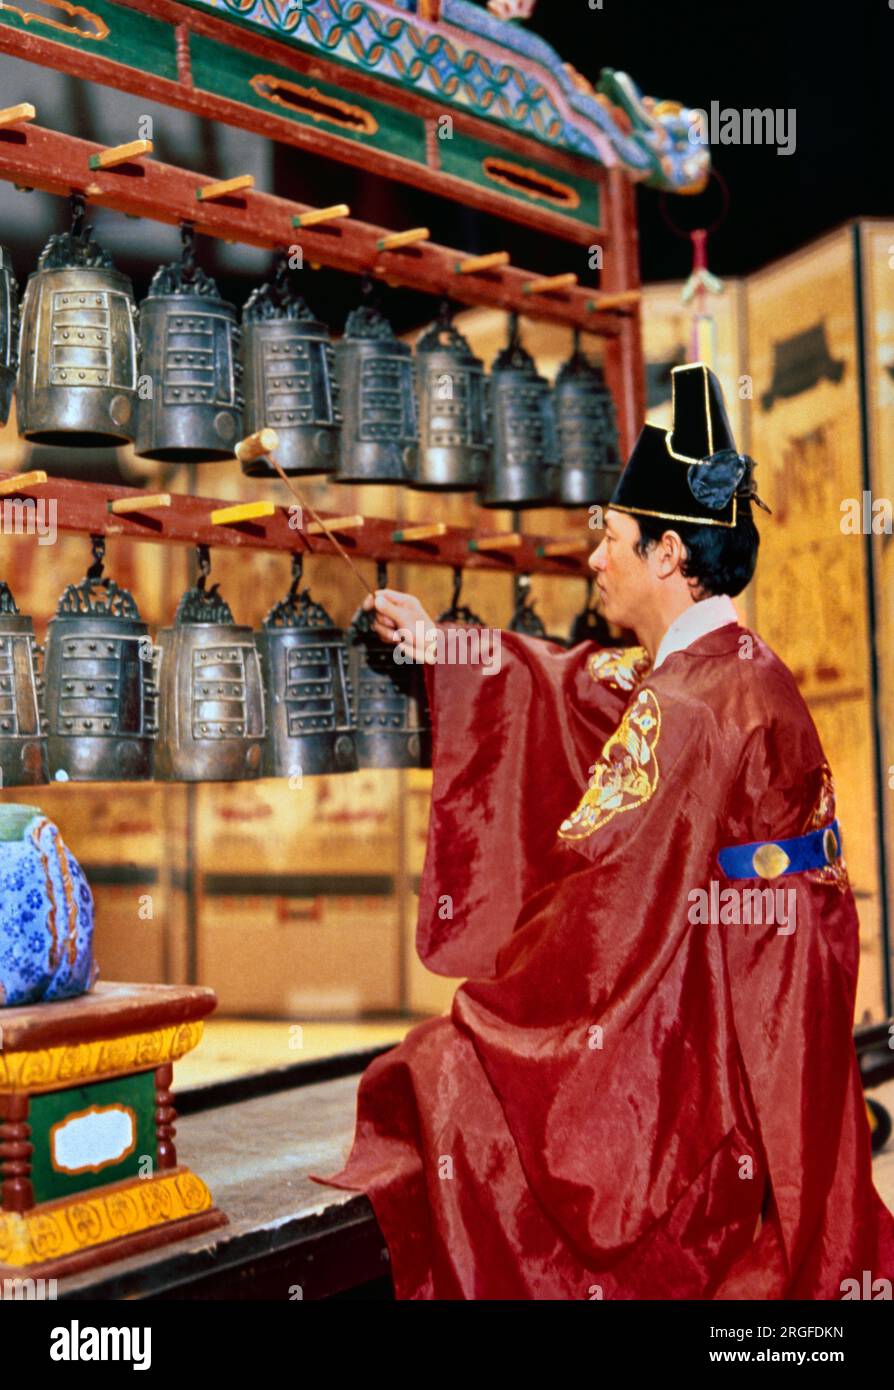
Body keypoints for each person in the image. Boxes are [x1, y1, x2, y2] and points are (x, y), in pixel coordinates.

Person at [310, 363, 894, 1300]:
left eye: (611, 540)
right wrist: (443, 644)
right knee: (803, 1202)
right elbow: (575, 684)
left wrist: (504, 1009)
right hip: (784, 976)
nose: (593, 559)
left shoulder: (691, 709)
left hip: (739, 1002)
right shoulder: (727, 666)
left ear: (667, 554)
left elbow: (605, 901)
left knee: (454, 1075)